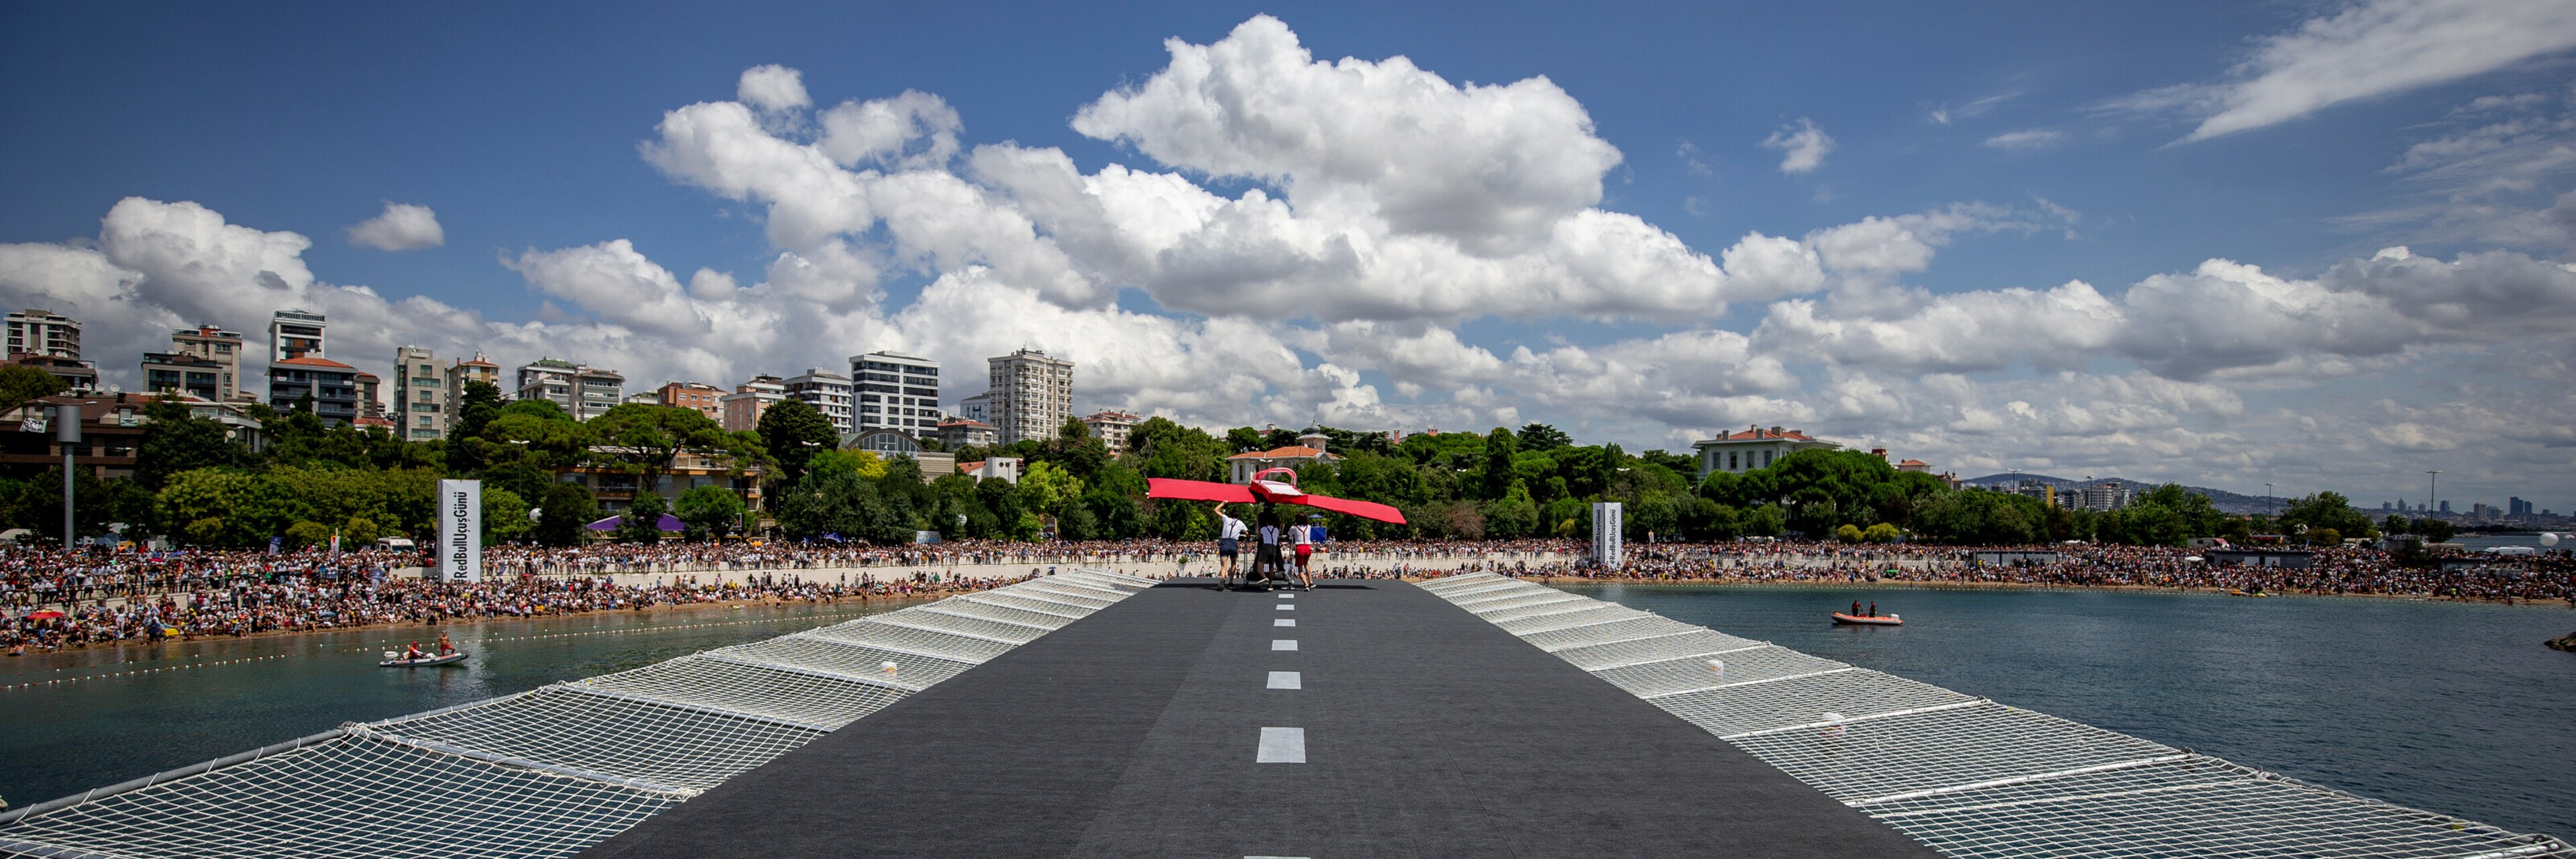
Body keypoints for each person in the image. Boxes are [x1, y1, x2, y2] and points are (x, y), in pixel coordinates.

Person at [1215, 503, 1248, 585]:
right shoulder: (1240, 523)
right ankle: (1231, 582)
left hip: (1224, 542)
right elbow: (1247, 533)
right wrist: (1245, 538)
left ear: (1230, 515)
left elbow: (1216, 510)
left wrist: (1223, 503)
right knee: (1233, 563)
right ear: (1238, 516)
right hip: (1233, 543)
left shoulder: (1226, 519)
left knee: (1224, 565)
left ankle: (1223, 578)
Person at [1253, 508, 1287, 588]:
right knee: (1271, 567)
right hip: (1274, 547)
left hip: (1266, 547)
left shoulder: (1263, 528)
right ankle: (1270, 584)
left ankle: (1264, 577)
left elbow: (1259, 534)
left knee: (1259, 567)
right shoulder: (1276, 530)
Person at [1291, 517, 1317, 591]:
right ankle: (1311, 582)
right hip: (1308, 547)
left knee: (1300, 569)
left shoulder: (1294, 527)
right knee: (1306, 564)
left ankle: (1306, 585)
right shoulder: (1309, 527)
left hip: (1300, 547)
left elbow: (1289, 535)